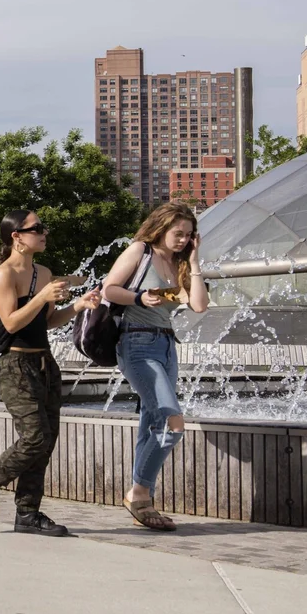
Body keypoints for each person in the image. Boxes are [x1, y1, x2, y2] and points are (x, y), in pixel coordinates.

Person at [0, 210, 101, 537]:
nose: (44, 232)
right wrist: (42, 296)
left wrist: (79, 306)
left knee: (47, 440)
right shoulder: (4, 275)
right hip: (15, 366)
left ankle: (27, 513)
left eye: (44, 226)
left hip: (44, 363)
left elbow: (47, 322)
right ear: (17, 237)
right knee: (34, 437)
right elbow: (12, 322)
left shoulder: (43, 271)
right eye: (37, 228)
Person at [102, 203, 208, 532]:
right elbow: (109, 288)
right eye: (178, 234)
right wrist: (139, 298)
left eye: (188, 235)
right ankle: (139, 493)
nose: (182, 239)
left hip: (166, 346)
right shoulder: (140, 251)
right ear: (161, 228)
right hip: (136, 344)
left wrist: (192, 261)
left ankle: (142, 499)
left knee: (151, 424)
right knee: (172, 422)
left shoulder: (179, 263)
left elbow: (199, 305)